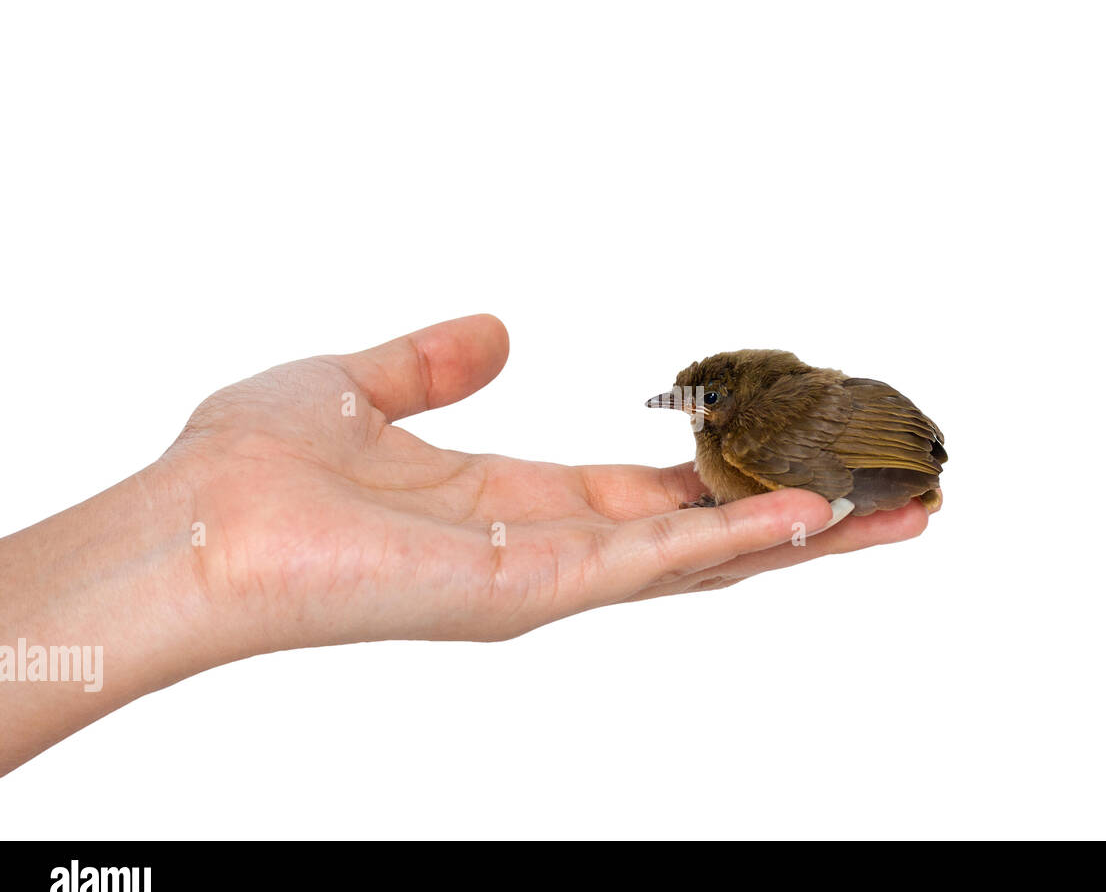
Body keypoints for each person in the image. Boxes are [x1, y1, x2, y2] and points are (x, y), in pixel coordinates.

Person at [0, 314, 929, 774]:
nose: (691, 419)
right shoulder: (731, 434)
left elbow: (883, 452)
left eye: (704, 406)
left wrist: (201, 549)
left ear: (736, 409)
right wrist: (206, 544)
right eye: (690, 406)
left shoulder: (758, 434)